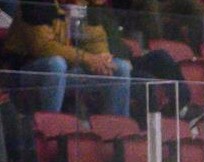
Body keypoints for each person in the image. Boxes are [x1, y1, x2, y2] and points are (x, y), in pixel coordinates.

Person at [4, 2, 133, 117]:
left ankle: (116, 134)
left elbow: (94, 38)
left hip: (67, 71)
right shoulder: (35, 4)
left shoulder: (80, 4)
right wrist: (87, 58)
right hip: (22, 72)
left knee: (120, 68)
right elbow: (43, 47)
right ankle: (51, 124)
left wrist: (102, 57)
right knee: (56, 64)